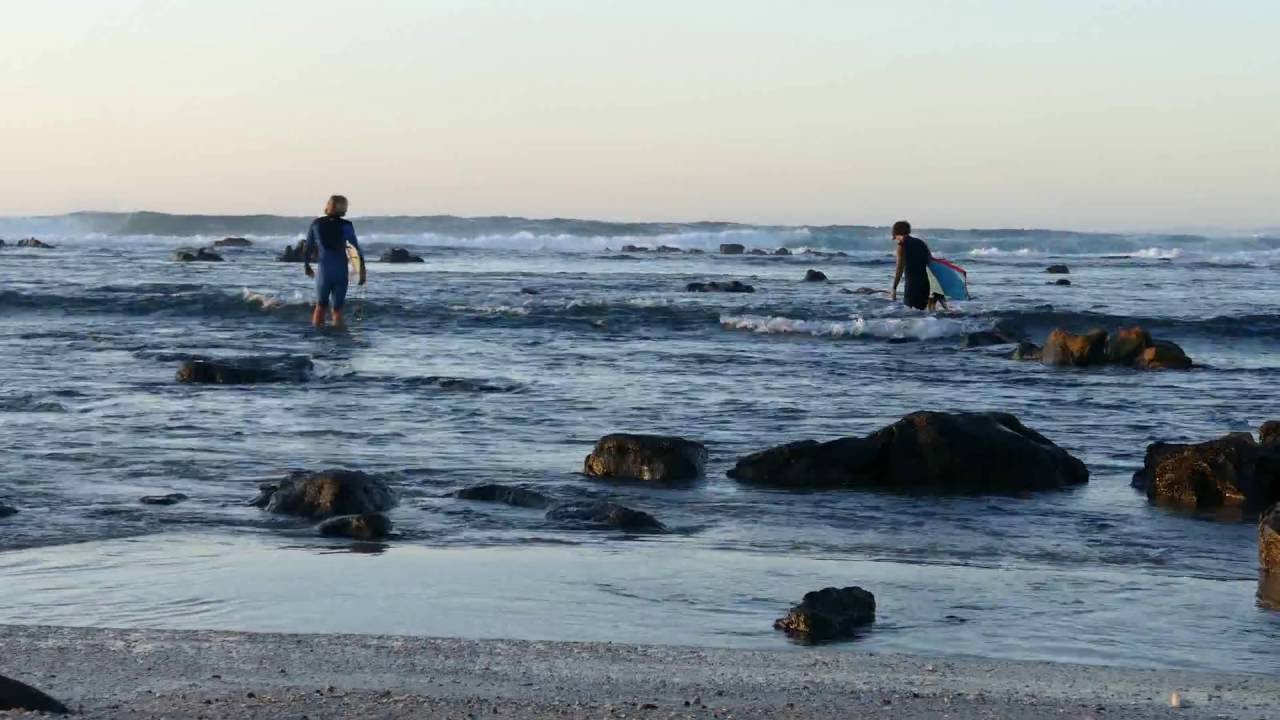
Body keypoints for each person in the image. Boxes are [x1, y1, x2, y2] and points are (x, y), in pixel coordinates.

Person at [304, 195, 366, 328]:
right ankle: (340, 341)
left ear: (328, 206)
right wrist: (362, 271)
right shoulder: (347, 225)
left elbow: (308, 247)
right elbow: (355, 248)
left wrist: (306, 266)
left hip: (324, 271)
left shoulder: (316, 224)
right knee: (337, 310)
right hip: (340, 271)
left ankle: (318, 337)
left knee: (320, 307)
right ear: (343, 208)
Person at [889, 220, 931, 311]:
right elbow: (930, 262)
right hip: (925, 284)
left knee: (910, 315)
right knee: (922, 316)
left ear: (895, 232)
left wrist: (894, 288)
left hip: (912, 285)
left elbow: (899, 269)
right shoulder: (921, 243)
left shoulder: (902, 245)